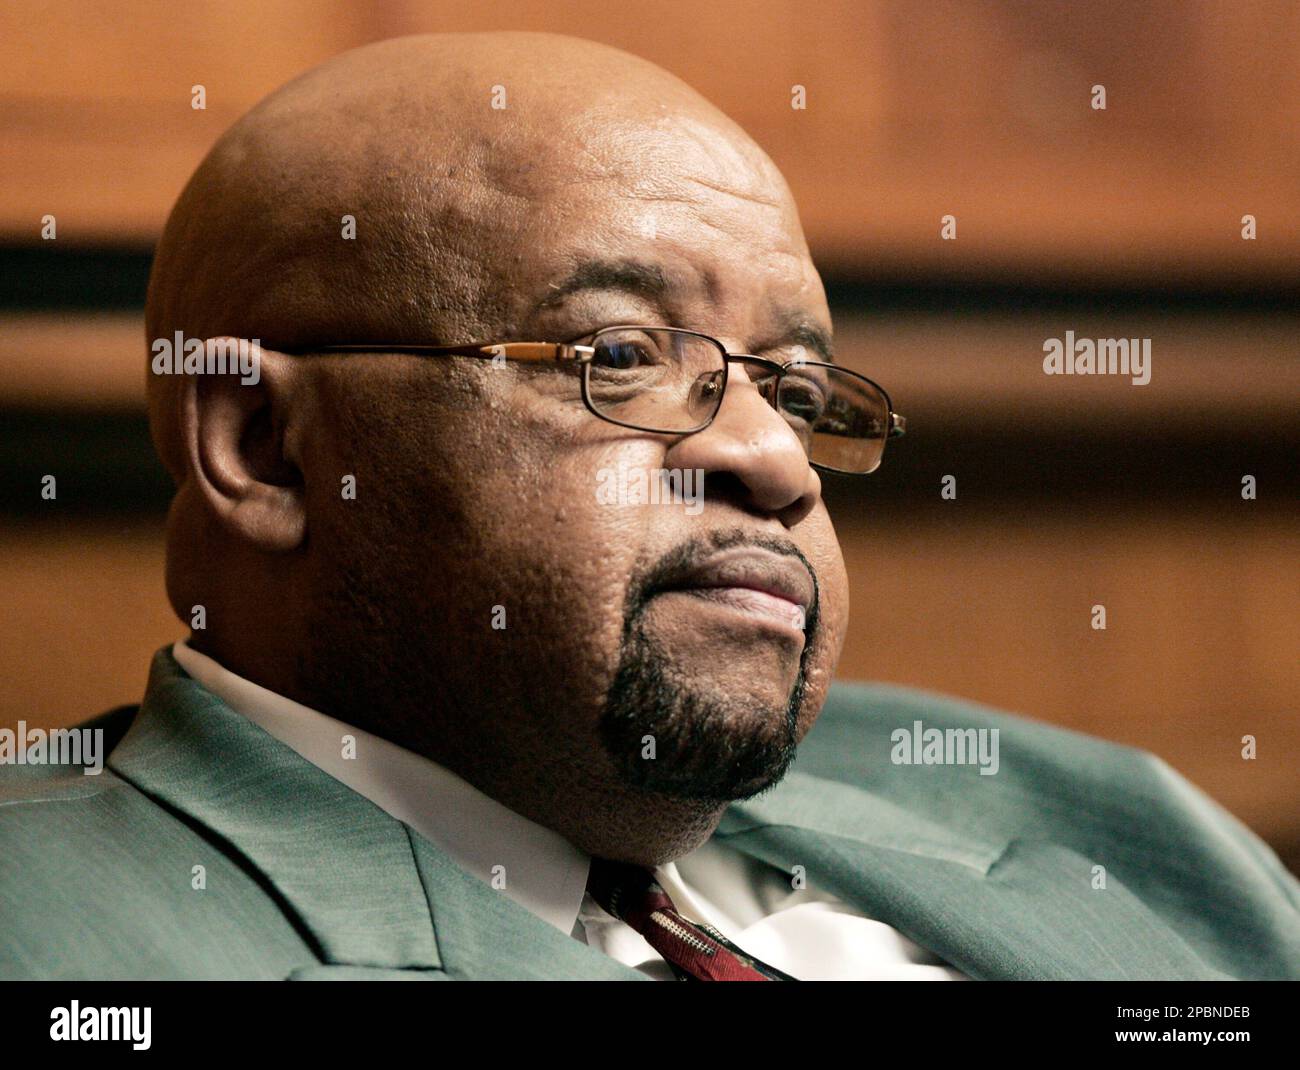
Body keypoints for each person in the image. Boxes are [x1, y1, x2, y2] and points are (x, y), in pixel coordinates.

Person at [1, 31, 1295, 981]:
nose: (771, 459)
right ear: (266, 448)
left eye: (793, 385)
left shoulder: (1096, 817)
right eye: (616, 356)